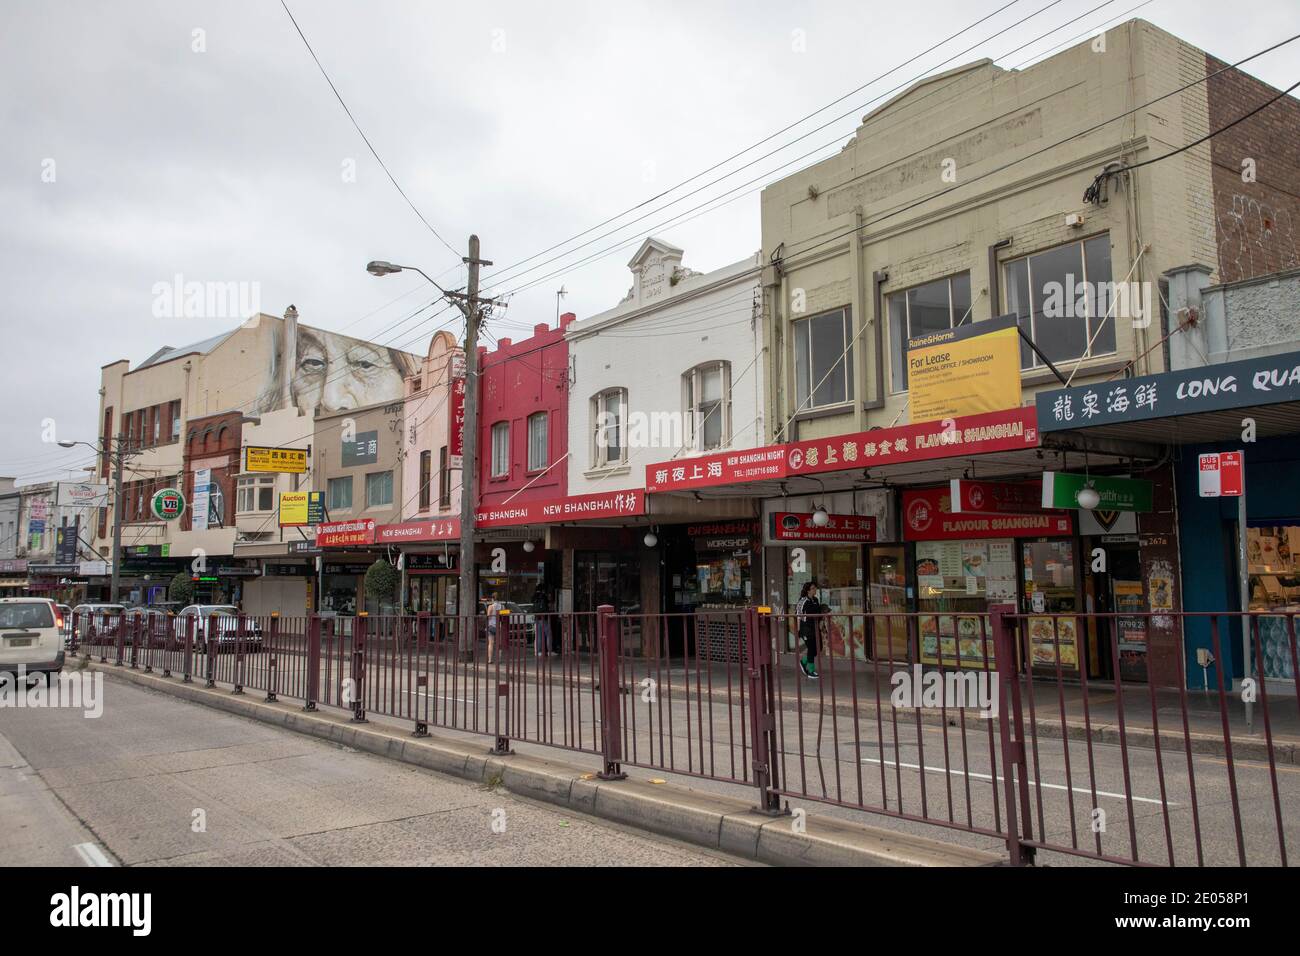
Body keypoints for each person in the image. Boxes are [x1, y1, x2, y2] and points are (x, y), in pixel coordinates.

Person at [796, 581, 824, 679]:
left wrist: (821, 624)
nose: (815, 589)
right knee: (811, 649)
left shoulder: (815, 600)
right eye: (813, 588)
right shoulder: (803, 601)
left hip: (815, 627)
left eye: (815, 588)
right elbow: (798, 616)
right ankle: (811, 671)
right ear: (808, 590)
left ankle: (803, 662)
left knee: (818, 648)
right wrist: (799, 630)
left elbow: (819, 614)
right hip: (806, 628)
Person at [532, 584, 552, 657]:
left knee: (538, 635)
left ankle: (538, 651)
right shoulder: (543, 596)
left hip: (536, 618)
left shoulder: (534, 596)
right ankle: (549, 651)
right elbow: (548, 604)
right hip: (544, 618)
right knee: (548, 634)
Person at [485, 592, 504, 664]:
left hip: (491, 626)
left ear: (492, 599)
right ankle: (498, 660)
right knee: (499, 644)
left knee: (491, 643)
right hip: (499, 627)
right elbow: (503, 616)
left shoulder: (490, 606)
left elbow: (488, 616)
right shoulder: (502, 606)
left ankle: (490, 660)